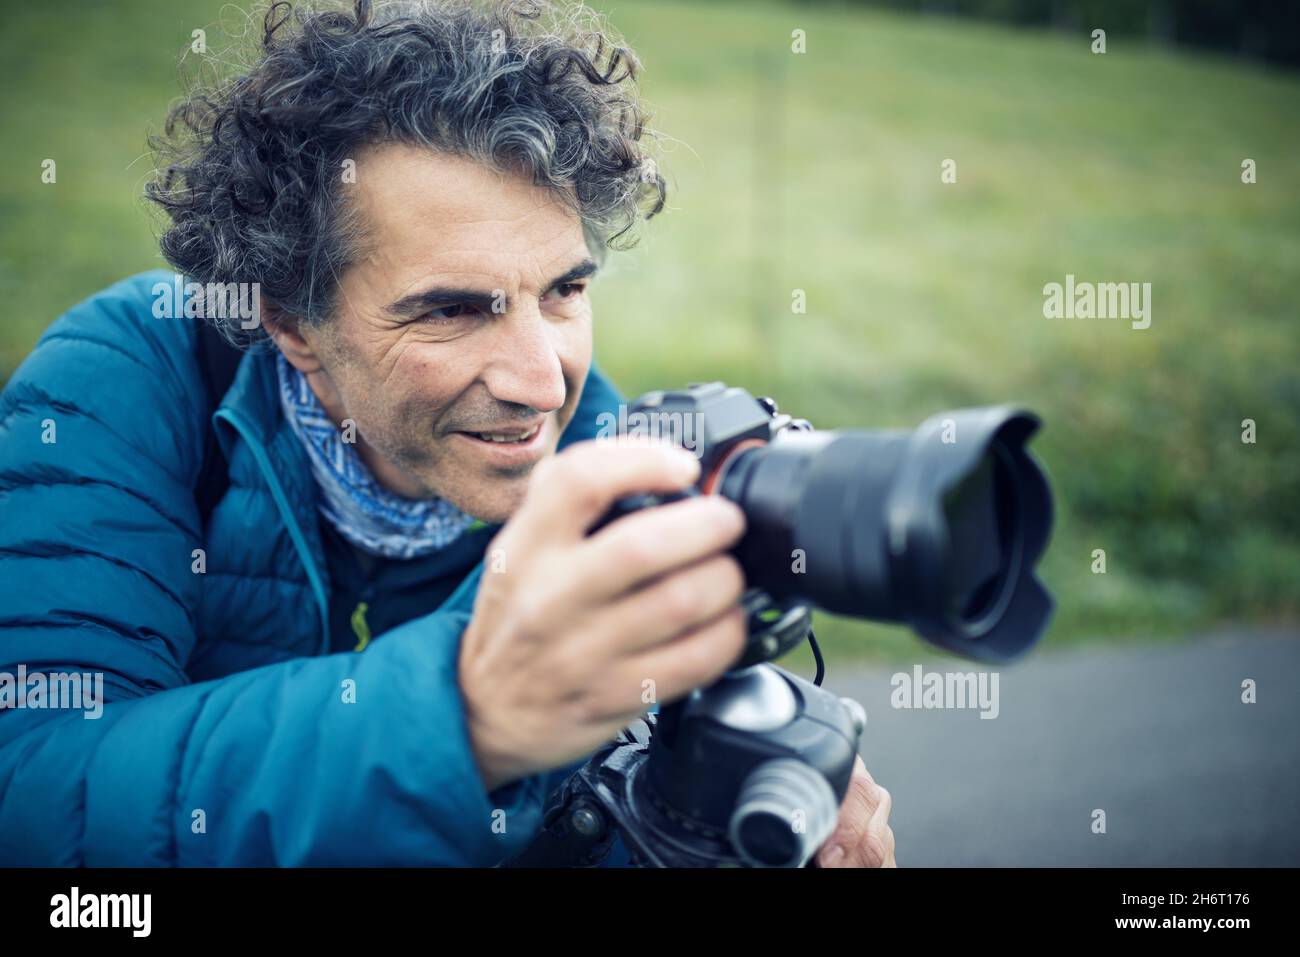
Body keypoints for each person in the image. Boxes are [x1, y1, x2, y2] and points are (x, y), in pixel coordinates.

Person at [0, 0, 894, 867]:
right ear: (291, 323)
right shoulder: (125, 377)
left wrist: (709, 793)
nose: (544, 385)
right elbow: (35, 790)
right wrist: (465, 717)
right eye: (455, 310)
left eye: (565, 291)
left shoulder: (611, 462)